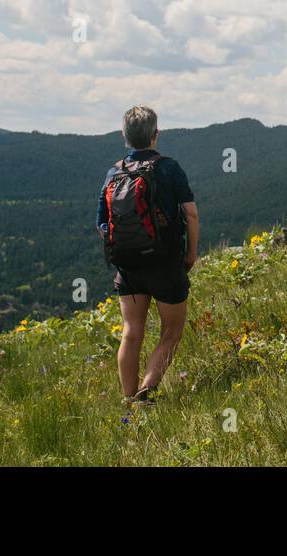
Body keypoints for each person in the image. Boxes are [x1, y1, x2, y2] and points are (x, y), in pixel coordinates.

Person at [96, 105, 200, 403]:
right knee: (171, 331)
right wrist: (190, 254)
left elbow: (102, 225)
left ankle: (129, 401)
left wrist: (126, 247)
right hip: (165, 263)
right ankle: (147, 392)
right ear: (156, 135)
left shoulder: (113, 173)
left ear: (124, 136)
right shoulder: (169, 168)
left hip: (127, 266)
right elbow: (190, 214)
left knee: (131, 332)